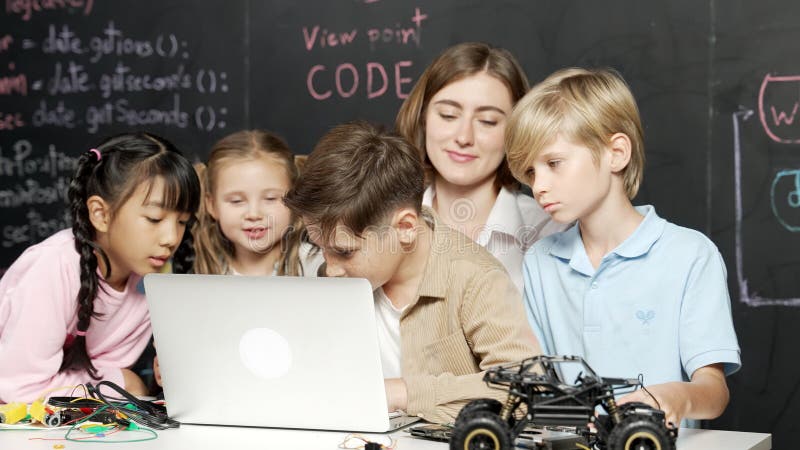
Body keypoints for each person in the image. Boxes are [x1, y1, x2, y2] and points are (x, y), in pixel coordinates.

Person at [505, 67, 741, 427]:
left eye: (553, 163)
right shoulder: (541, 261)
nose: (538, 186)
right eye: (531, 172)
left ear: (616, 153)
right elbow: (538, 379)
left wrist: (675, 397)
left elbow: (714, 390)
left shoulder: (691, 255)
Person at [283, 121, 539, 423]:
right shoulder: (339, 274)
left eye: (345, 251)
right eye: (320, 248)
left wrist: (402, 393)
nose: (331, 268)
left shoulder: (477, 279)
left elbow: (525, 389)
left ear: (405, 228)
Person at [0, 132, 201, 403]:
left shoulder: (151, 280)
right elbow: (18, 388)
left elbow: (103, 371)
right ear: (100, 214)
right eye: (154, 219)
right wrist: (121, 383)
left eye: (182, 222)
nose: (171, 238)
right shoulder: (53, 266)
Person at [396, 42, 566, 292]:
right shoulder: (384, 224)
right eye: (448, 115)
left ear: (517, 130)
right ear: (423, 118)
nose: (464, 137)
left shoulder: (551, 232)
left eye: (487, 121)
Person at [192, 130, 322, 276]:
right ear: (212, 205)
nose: (254, 214)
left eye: (270, 199)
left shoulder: (318, 266)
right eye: (237, 201)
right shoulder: (200, 270)